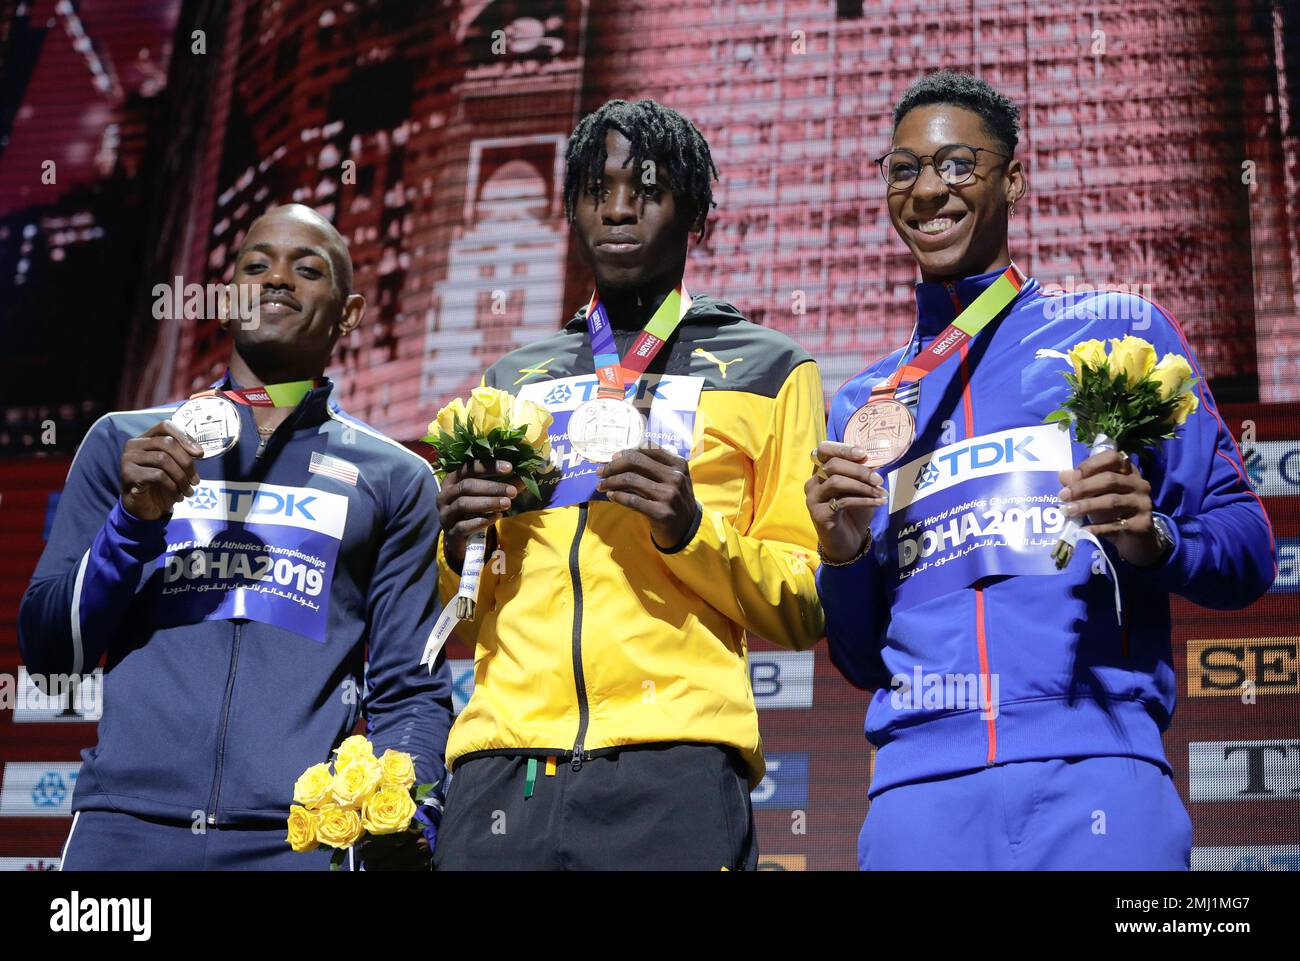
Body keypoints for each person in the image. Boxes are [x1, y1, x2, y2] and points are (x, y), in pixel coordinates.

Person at [807, 72, 1277, 870]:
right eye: (904, 169)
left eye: (958, 165)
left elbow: (1250, 548)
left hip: (1098, 773)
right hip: (919, 798)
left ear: (1014, 180)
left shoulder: (1119, 337)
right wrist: (844, 555)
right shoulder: (866, 404)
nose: (928, 190)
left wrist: (1154, 540)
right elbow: (858, 656)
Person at [432, 99, 825, 870]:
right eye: (595, 189)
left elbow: (806, 603)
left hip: (673, 767)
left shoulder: (772, 369)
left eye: (647, 189)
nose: (617, 208)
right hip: (501, 765)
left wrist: (690, 532)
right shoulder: (512, 379)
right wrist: (458, 544)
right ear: (572, 210)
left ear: (696, 213)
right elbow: (465, 613)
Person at [18, 204, 453, 870]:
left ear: (349, 314)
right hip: (124, 832)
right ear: (227, 299)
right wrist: (131, 524)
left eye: (307, 269)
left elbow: (410, 689)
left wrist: (408, 813)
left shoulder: (393, 477)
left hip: (299, 841)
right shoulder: (125, 443)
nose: (276, 278)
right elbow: (52, 654)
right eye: (256, 265)